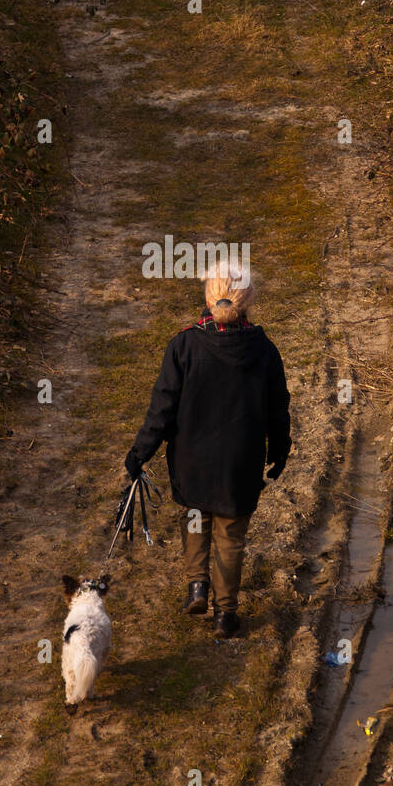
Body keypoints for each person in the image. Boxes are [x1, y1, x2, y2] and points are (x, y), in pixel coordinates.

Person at [124, 260, 291, 638]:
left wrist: (140, 452)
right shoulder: (264, 350)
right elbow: (278, 408)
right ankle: (224, 614)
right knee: (231, 536)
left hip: (191, 460)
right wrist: (279, 451)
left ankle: (197, 585)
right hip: (240, 464)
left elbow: (161, 408)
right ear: (247, 300)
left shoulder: (183, 345)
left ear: (208, 295)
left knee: (196, 516)